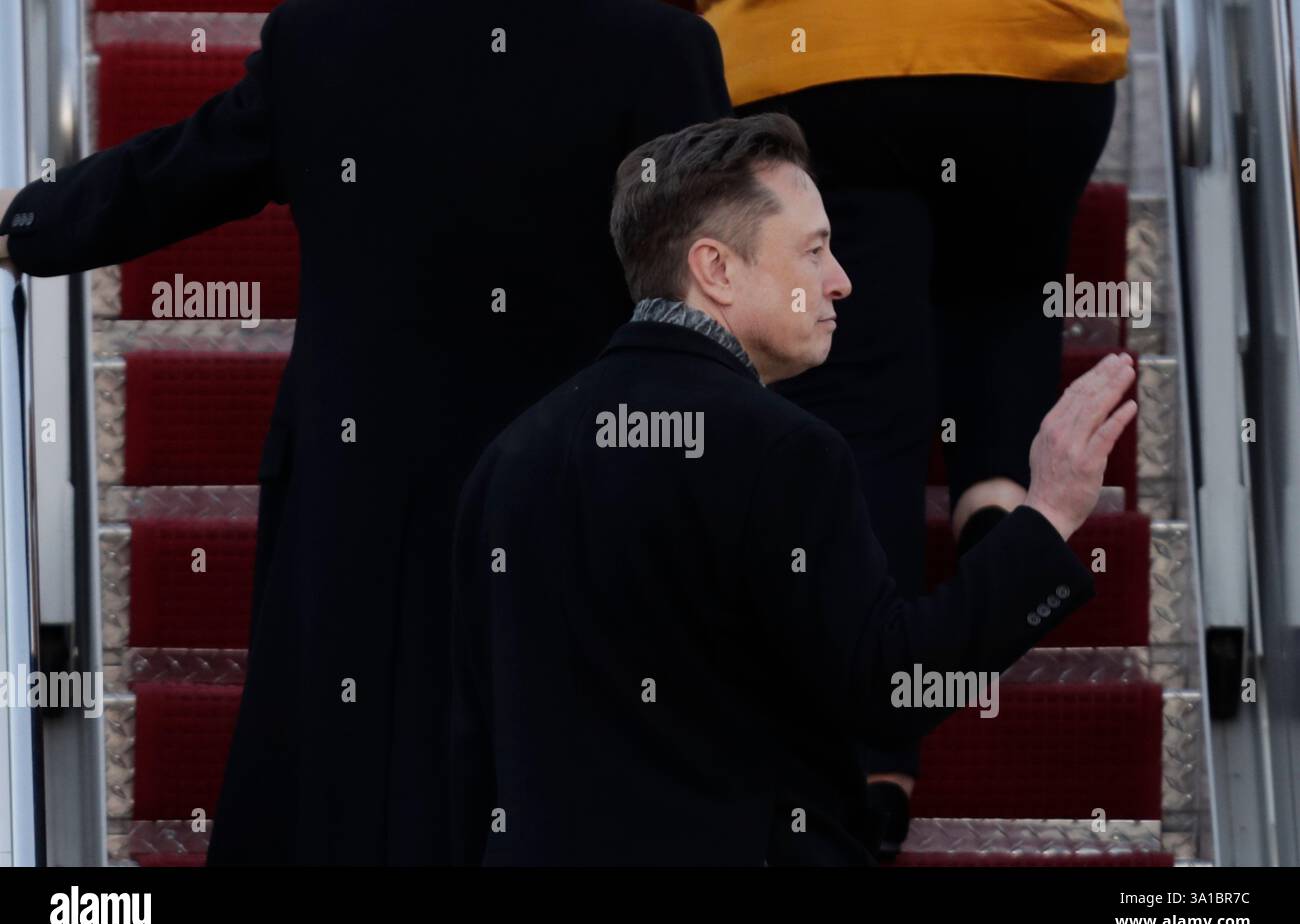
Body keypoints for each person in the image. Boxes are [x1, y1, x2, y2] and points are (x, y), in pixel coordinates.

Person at [0, 0, 732, 864]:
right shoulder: (657, 43)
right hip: (578, 492)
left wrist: (26, 221)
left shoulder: (325, 36)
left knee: (359, 786)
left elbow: (175, 174)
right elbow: (717, 271)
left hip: (364, 498)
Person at [448, 113, 1137, 865]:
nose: (841, 279)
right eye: (813, 250)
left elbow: (474, 739)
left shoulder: (510, 457)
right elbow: (891, 685)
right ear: (716, 268)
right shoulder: (782, 449)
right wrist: (1049, 512)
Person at [701, 0, 1128, 854]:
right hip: (1029, 46)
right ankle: (1000, 508)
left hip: (822, 58)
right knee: (1008, 280)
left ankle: (874, 765)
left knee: (858, 397)